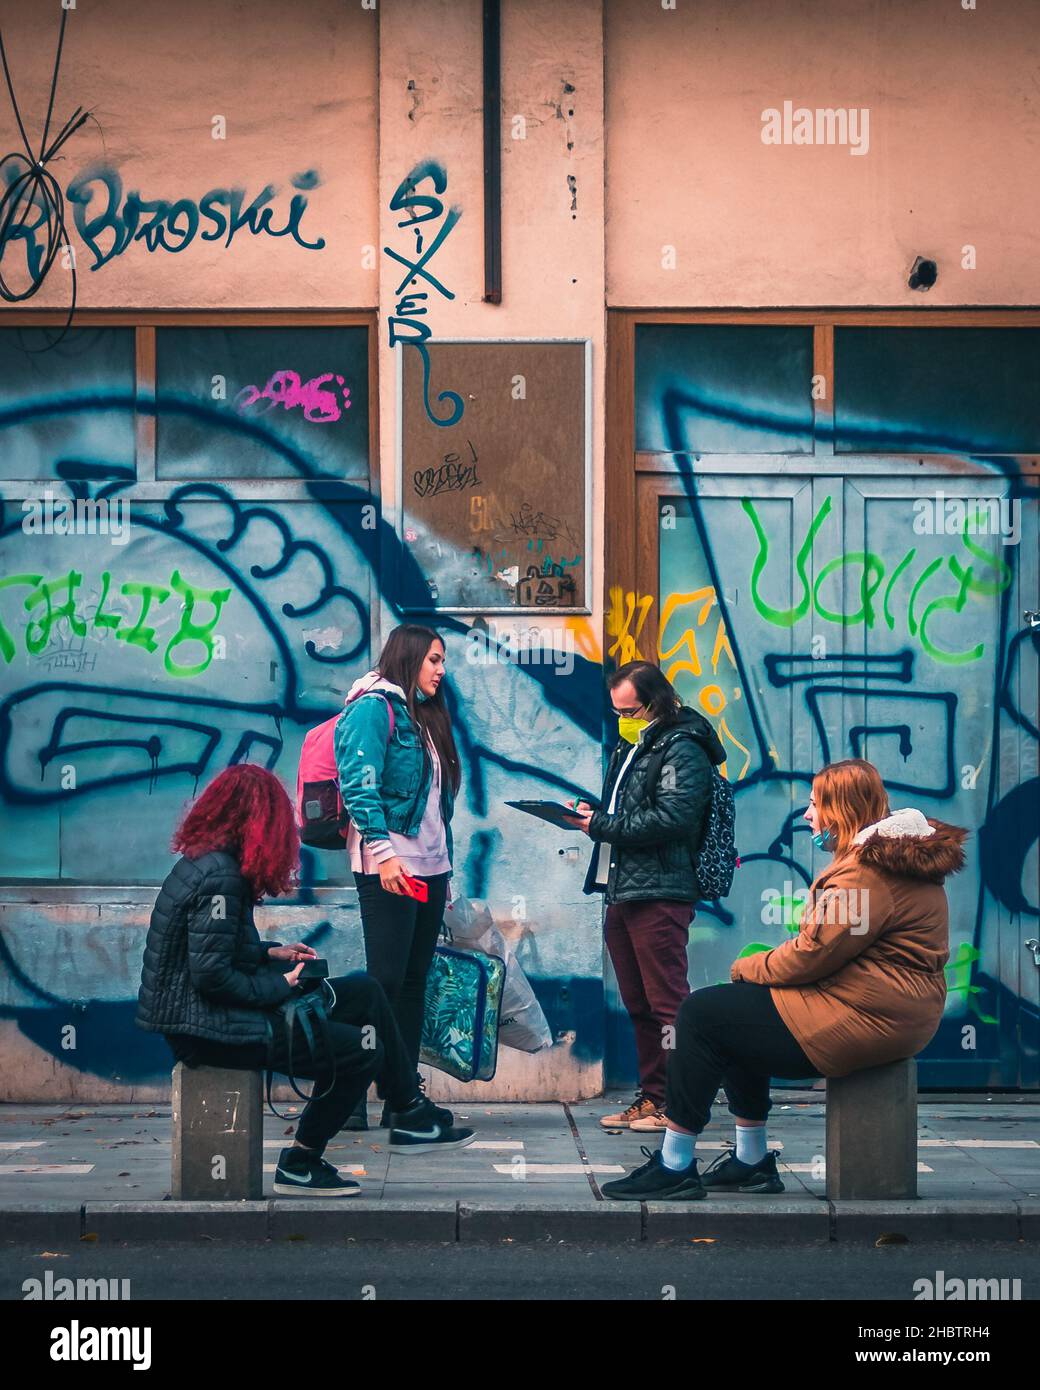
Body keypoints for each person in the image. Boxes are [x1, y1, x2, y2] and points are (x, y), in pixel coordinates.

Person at [601, 758, 966, 1201]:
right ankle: (751, 1162)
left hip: (870, 1017)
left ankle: (675, 1164)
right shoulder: (888, 859)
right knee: (737, 1014)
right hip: (885, 1009)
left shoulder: (868, 874)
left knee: (699, 1014)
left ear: (842, 810)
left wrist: (747, 966)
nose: (808, 814)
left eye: (816, 804)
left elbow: (815, 954)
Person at [135, 763, 474, 1199]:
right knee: (359, 1050)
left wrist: (269, 953)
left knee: (365, 992)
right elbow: (210, 976)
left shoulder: (210, 863)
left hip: (216, 1013)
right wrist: (284, 985)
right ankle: (301, 1160)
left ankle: (408, 1111)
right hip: (206, 1030)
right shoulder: (221, 878)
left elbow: (214, 949)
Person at [565, 660, 726, 1133]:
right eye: (617, 711)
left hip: (661, 889)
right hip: (624, 888)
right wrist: (594, 814)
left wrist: (599, 825)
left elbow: (672, 818)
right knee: (639, 1004)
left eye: (630, 710)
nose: (623, 719)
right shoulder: (636, 745)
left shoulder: (683, 749)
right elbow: (629, 809)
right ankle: (654, 1098)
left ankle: (681, 1104)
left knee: (667, 1003)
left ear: (657, 702)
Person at [334, 624, 461, 1131]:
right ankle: (345, 1096)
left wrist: (445, 870)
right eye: (433, 660)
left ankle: (401, 1096)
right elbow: (358, 783)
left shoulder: (423, 715)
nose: (440, 670)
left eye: (443, 661)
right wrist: (385, 855)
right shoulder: (373, 707)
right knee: (384, 981)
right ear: (408, 657)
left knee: (412, 983)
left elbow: (435, 806)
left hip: (429, 867)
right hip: (392, 865)